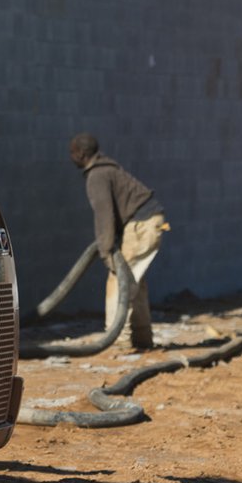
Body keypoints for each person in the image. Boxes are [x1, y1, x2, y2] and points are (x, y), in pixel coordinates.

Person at [68, 132, 167, 351]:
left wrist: (105, 252)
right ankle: (142, 338)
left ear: (81, 154)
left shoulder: (97, 175)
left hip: (142, 225)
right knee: (133, 281)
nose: (71, 157)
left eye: (72, 153)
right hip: (149, 222)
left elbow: (104, 216)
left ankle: (118, 340)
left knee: (119, 280)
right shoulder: (107, 169)